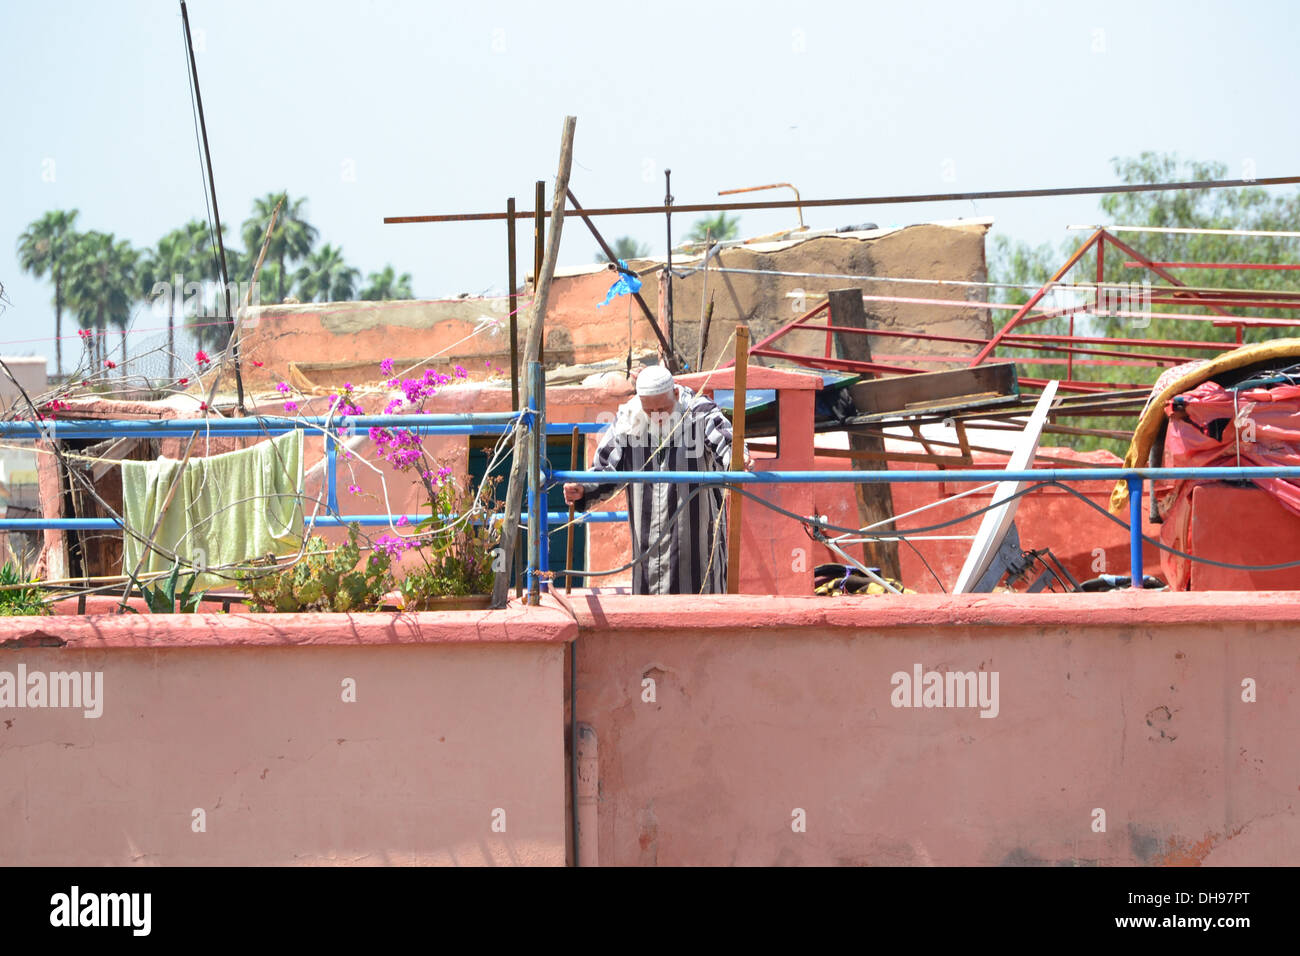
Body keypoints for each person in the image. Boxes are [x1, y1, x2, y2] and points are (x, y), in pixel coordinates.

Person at [563, 365, 750, 595]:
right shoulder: (628, 421)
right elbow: (606, 469)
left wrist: (739, 459)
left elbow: (726, 441)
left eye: (663, 408)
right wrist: (583, 488)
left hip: (697, 550)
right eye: (649, 411)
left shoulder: (699, 413)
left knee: (698, 606)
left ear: (677, 394)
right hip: (647, 548)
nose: (657, 416)